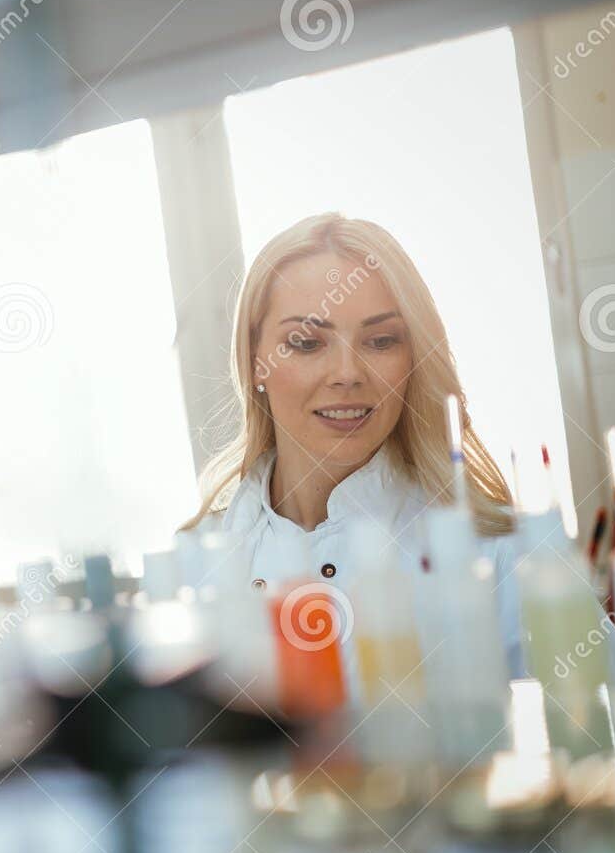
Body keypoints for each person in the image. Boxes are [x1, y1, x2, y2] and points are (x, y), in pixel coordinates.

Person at [183, 213, 524, 672]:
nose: (347, 374)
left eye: (381, 340)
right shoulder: (193, 568)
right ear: (254, 358)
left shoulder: (500, 553)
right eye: (306, 343)